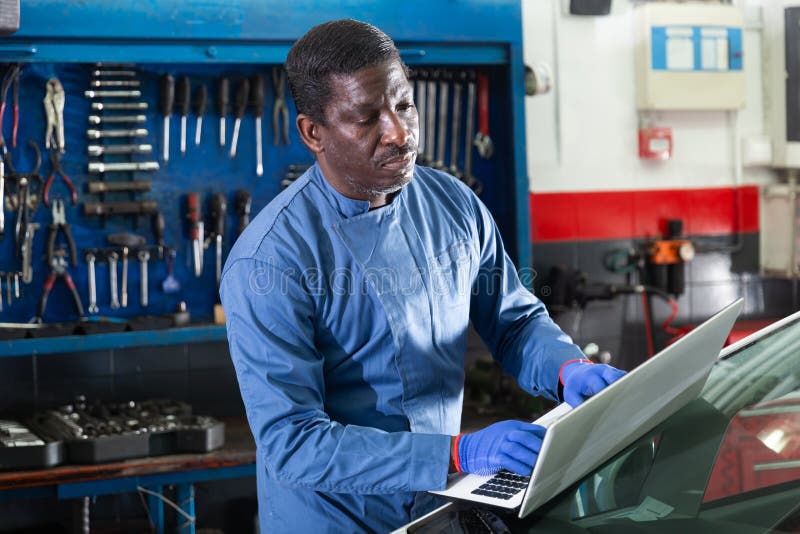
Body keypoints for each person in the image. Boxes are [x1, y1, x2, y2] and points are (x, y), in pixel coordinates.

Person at [220, 18, 625, 533]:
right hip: (334, 521)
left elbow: (515, 321)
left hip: (435, 507)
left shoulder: (452, 204)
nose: (399, 132)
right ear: (313, 133)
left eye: (404, 104)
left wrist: (569, 368)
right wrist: (458, 451)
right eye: (366, 118)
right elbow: (293, 444)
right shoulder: (270, 262)